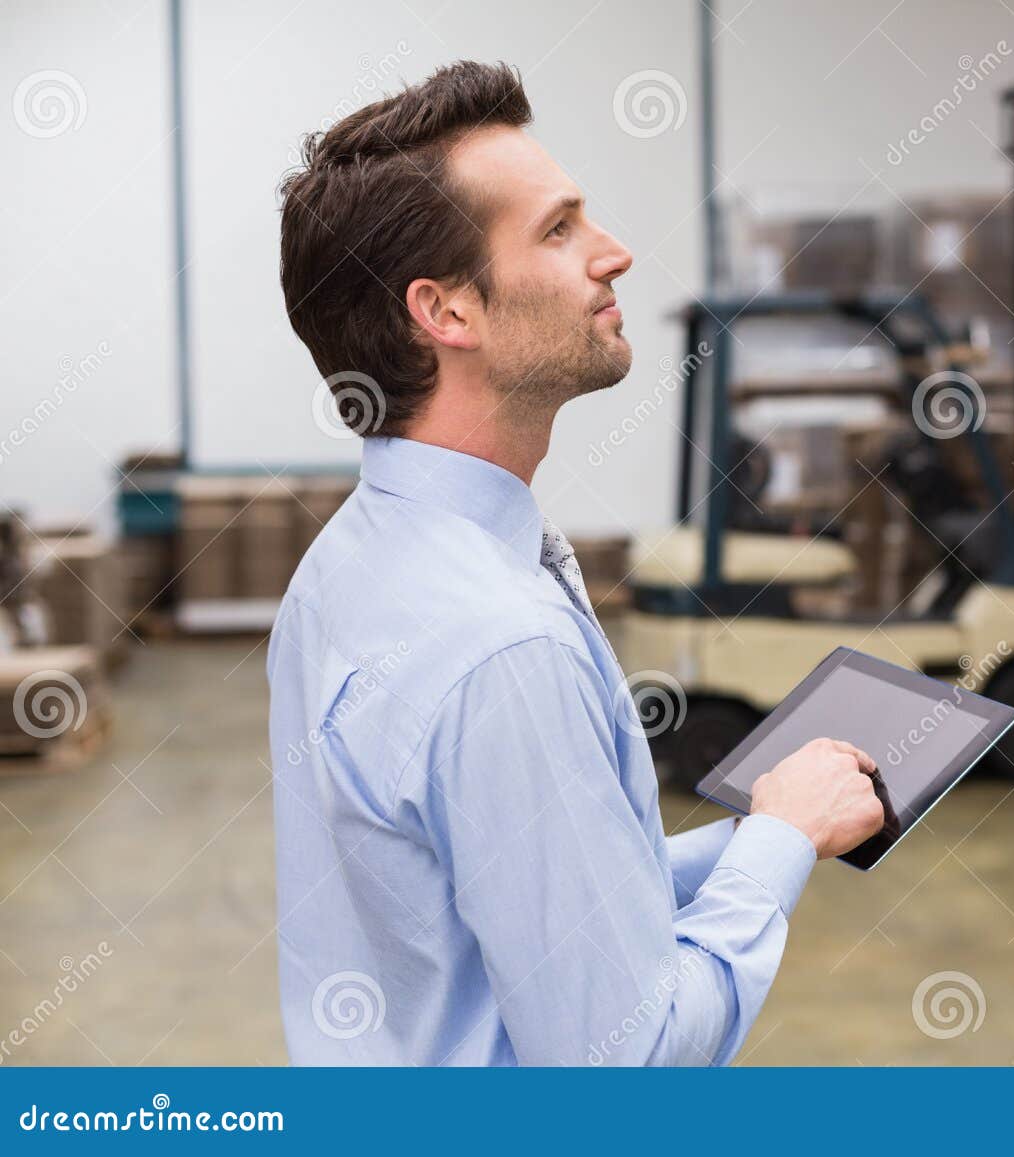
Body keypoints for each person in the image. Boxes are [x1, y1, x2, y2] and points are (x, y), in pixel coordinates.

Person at [268, 60, 885, 1065]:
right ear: (448, 312)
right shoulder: (500, 644)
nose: (614, 254)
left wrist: (771, 826)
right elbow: (626, 1064)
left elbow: (504, 895)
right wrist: (773, 847)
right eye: (558, 229)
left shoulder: (346, 566)